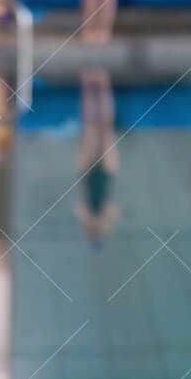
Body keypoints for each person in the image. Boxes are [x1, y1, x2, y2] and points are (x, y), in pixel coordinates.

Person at [75, 68, 120, 246]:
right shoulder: (106, 219)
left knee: (89, 126)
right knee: (105, 126)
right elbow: (112, 207)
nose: (95, 230)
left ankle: (87, 84)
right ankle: (103, 83)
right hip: (106, 172)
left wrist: (90, 221)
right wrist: (101, 221)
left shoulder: (86, 217)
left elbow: (80, 207)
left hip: (87, 172)